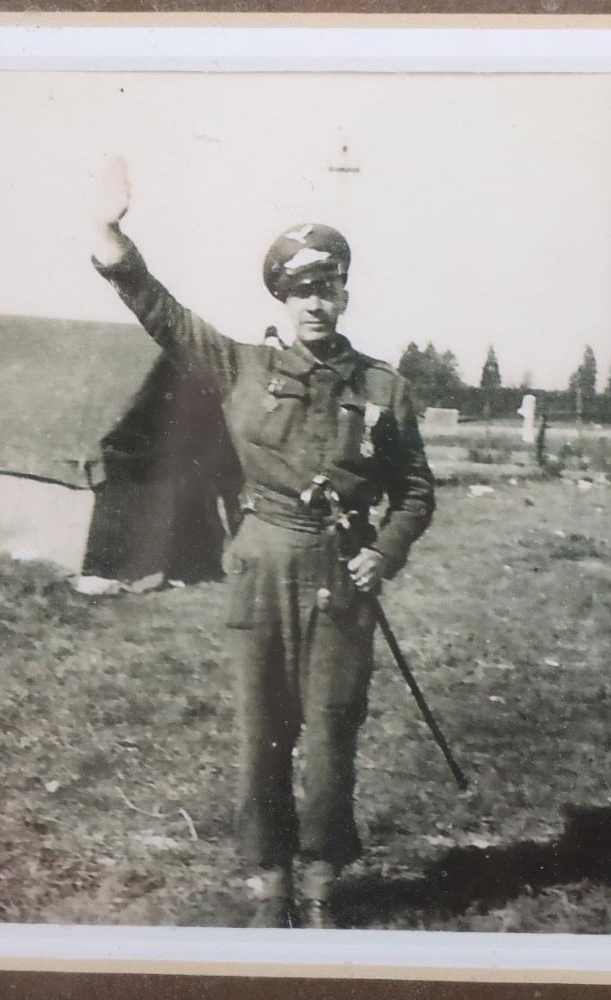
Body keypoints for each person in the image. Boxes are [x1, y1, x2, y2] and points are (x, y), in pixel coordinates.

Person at [91, 159, 435, 928]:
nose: (317, 300)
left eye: (330, 285)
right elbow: (161, 311)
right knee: (262, 732)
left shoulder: (384, 389)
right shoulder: (240, 365)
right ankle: (268, 883)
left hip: (343, 575)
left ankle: (319, 883)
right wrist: (112, 233)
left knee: (335, 732)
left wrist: (386, 552)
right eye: (302, 288)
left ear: (346, 290)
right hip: (261, 568)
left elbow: (415, 491)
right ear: (281, 295)